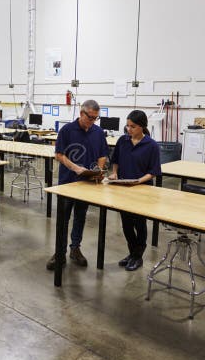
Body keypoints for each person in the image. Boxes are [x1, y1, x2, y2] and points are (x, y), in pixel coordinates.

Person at [47, 100, 109, 271]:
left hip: (87, 184)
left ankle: (75, 248)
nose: (93, 121)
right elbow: (59, 155)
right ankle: (59, 252)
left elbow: (103, 154)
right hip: (68, 182)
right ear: (81, 113)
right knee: (63, 218)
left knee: (80, 216)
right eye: (90, 117)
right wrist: (76, 168)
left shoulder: (98, 132)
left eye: (96, 118)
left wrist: (99, 169)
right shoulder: (67, 130)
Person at [108, 110, 161, 271]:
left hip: (142, 190)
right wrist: (115, 172)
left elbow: (153, 171)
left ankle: (138, 257)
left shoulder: (151, 145)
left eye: (133, 126)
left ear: (142, 127)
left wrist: (138, 181)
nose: (129, 129)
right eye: (127, 126)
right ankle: (132, 253)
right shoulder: (123, 141)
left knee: (140, 223)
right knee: (126, 224)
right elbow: (115, 160)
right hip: (124, 188)